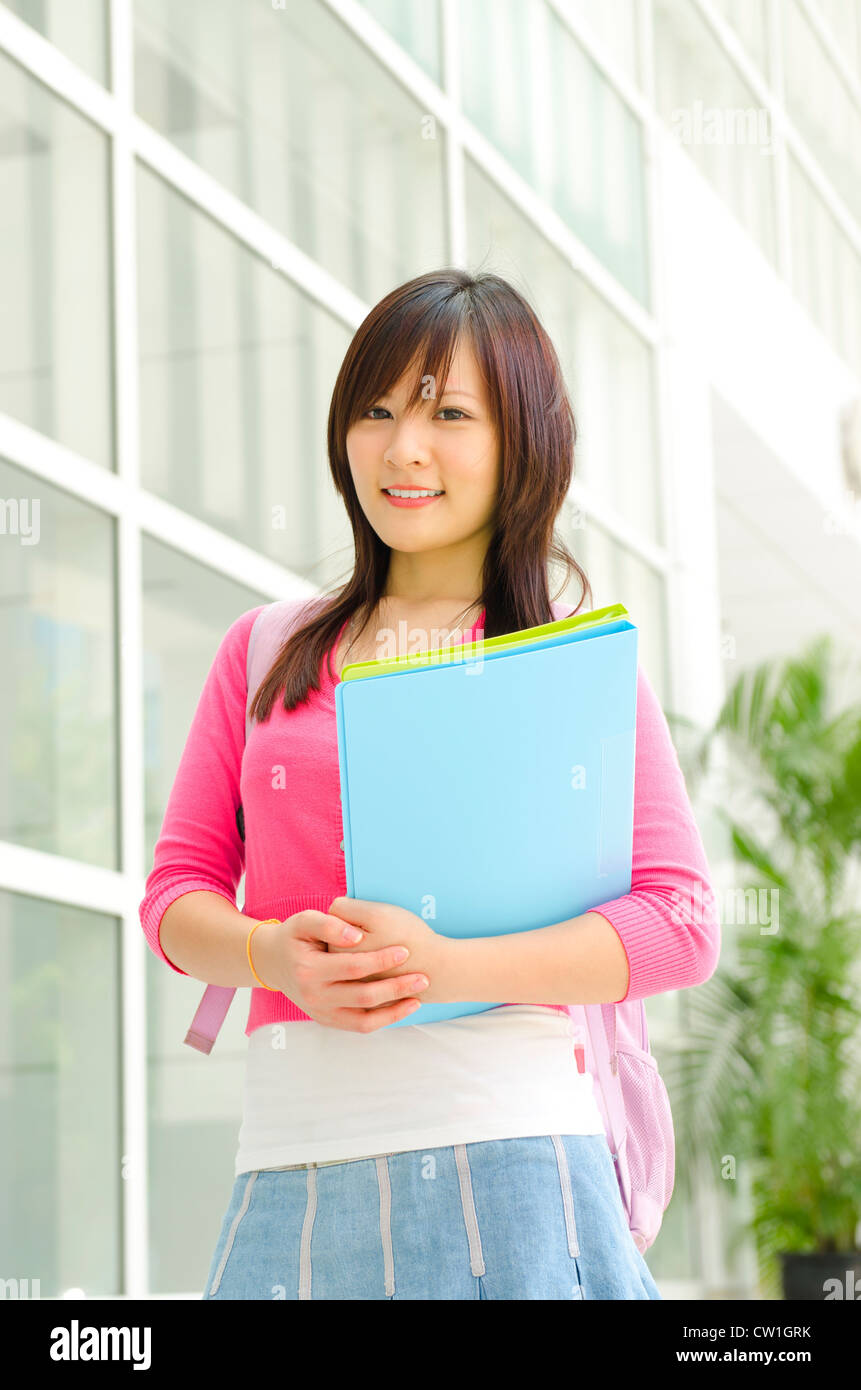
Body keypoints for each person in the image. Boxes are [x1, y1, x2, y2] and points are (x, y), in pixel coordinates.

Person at [139, 268, 720, 1300]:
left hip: (516, 1156)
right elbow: (176, 896)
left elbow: (679, 922)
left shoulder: (569, 663)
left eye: (448, 413)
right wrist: (272, 951)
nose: (403, 448)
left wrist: (447, 967)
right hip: (293, 1155)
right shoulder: (262, 649)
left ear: (521, 444)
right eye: (375, 409)